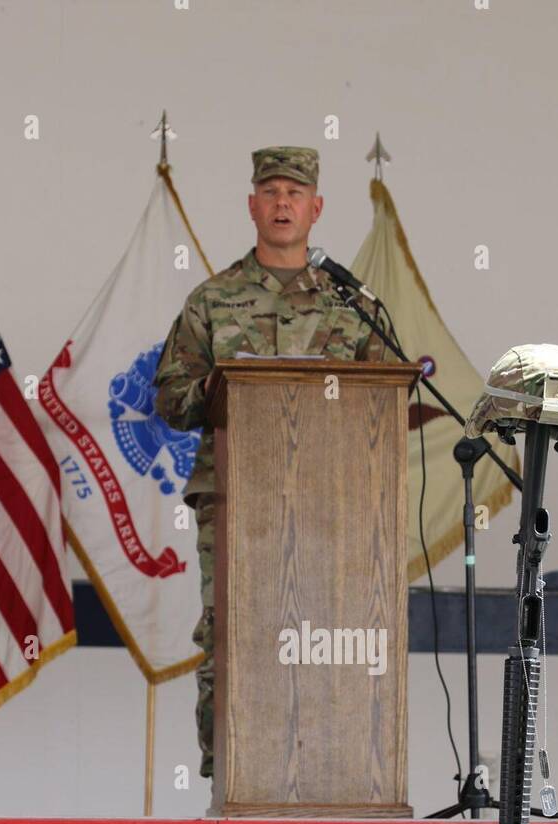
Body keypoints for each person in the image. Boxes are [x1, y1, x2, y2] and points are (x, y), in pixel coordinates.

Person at [153, 146, 388, 779]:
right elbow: (170, 399)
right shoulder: (212, 300)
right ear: (252, 206)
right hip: (234, 500)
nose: (282, 203)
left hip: (329, 501)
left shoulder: (353, 305)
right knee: (232, 635)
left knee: (327, 634)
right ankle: (228, 774)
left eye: (295, 193)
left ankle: (330, 770)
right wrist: (223, 388)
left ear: (316, 209)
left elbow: (384, 395)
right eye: (271, 191)